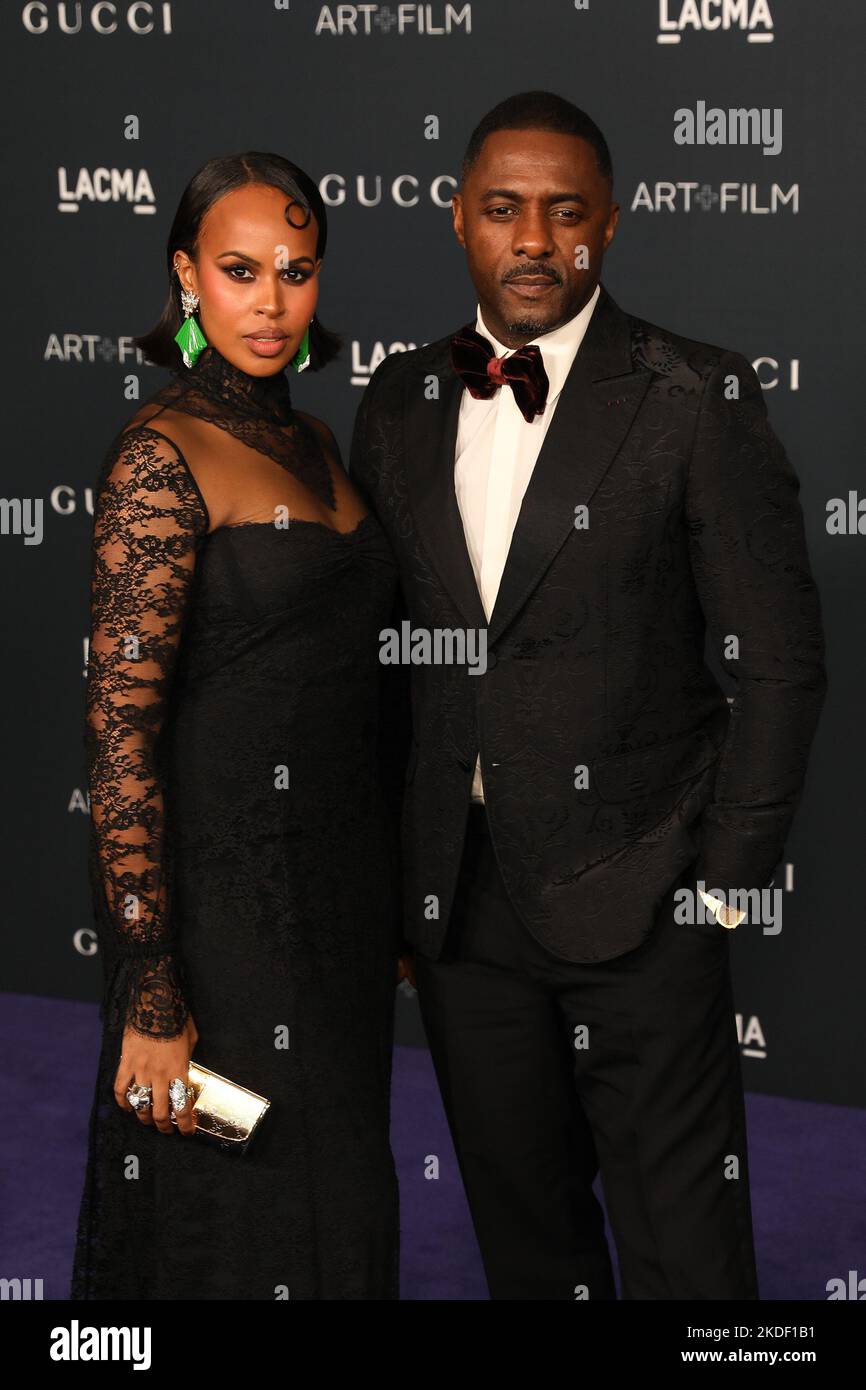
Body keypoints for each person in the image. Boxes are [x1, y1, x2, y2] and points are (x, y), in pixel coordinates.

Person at [349, 91, 827, 1299]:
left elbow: (776, 659)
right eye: (503, 209)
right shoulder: (398, 403)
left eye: (564, 213)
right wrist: (397, 882)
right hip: (460, 902)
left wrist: (719, 887)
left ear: (607, 226)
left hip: (643, 893)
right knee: (527, 1233)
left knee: (685, 1250)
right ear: (457, 217)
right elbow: (384, 659)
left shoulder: (691, 397)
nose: (532, 240)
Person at [71, 151, 404, 1300]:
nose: (270, 302)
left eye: (296, 272)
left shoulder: (318, 443)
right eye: (239, 269)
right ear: (187, 277)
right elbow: (118, 740)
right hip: (224, 914)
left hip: (343, 903)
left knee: (341, 1189)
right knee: (239, 1208)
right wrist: (150, 985)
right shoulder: (160, 458)